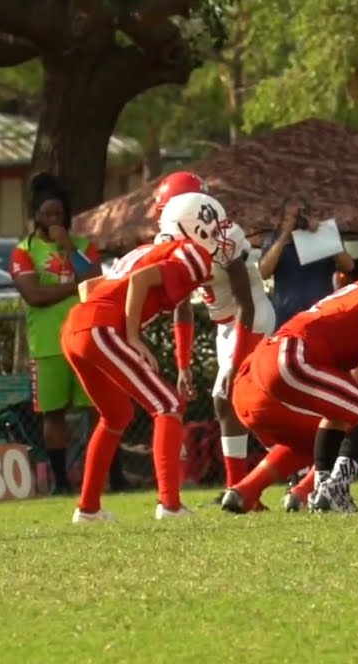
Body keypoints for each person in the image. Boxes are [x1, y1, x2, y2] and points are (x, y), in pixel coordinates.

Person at [228, 230, 358, 513]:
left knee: (338, 416)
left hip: (273, 356)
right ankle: (335, 490)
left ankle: (322, 490)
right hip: (294, 356)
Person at [63, 204, 215, 523]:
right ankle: (170, 505)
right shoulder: (190, 253)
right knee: (168, 404)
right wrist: (131, 336)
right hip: (101, 329)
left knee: (117, 415)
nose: (217, 233)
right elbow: (142, 280)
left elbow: (87, 287)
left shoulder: (149, 250)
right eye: (210, 225)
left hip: (77, 328)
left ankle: (88, 509)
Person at [153, 179, 275, 493]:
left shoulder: (225, 238)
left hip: (251, 318)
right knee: (247, 406)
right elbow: (182, 308)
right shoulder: (171, 241)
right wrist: (183, 365)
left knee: (225, 399)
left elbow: (246, 304)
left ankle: (241, 487)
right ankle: (272, 476)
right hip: (224, 327)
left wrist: (235, 365)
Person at [10, 174, 103, 495]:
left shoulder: (83, 246)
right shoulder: (23, 252)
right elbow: (34, 295)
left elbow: (95, 280)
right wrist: (73, 287)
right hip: (48, 344)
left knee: (98, 409)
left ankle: (106, 474)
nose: (54, 220)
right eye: (47, 214)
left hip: (87, 339)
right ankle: (61, 481)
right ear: (36, 215)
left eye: (59, 214)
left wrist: (67, 249)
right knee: (54, 414)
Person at [258, 198, 356, 327]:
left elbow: (348, 265)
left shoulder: (324, 235)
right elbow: (264, 272)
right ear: (282, 219)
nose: (295, 221)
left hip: (320, 313)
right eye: (291, 217)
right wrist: (284, 236)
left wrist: (322, 235)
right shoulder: (274, 239)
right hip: (287, 315)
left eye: (299, 215)